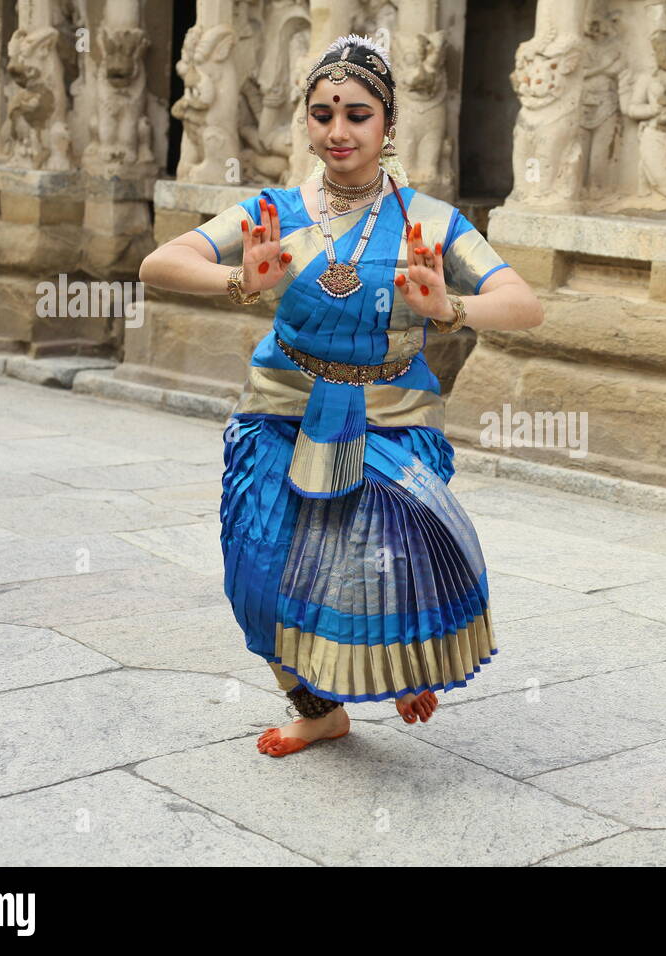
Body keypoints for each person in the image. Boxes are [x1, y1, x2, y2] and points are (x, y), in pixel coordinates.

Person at [138, 32, 543, 757]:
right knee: (255, 570)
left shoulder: (433, 221)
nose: (337, 131)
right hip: (281, 408)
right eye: (322, 113)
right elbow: (160, 263)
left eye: (357, 114)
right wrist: (240, 281)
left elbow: (523, 303)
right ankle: (317, 707)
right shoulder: (273, 209)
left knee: (377, 555)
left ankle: (401, 659)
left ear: (388, 126)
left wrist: (449, 306)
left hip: (391, 415)